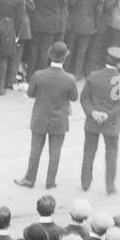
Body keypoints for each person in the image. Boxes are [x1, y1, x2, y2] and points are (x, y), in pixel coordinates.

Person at [14, 42, 79, 190]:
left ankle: (29, 180)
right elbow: (74, 98)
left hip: (40, 118)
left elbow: (30, 94)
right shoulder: (70, 79)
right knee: (55, 153)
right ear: (65, 58)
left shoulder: (39, 75)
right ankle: (50, 182)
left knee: (35, 151)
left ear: (50, 55)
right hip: (59, 121)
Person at [79, 47, 120, 195]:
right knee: (111, 153)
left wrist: (93, 112)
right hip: (111, 123)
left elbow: (84, 98)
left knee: (89, 151)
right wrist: (107, 115)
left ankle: (85, 182)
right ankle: (110, 186)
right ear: (119, 64)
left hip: (92, 122)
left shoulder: (93, 76)